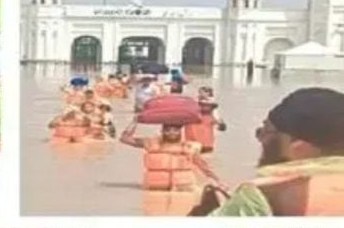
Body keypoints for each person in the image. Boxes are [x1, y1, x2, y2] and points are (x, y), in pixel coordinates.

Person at [206, 88, 344, 216]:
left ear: (299, 148)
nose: (260, 140)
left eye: (264, 132)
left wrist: (211, 201)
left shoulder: (266, 195)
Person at [119, 119, 220, 192]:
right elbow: (124, 139)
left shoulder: (188, 147)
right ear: (162, 131)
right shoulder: (151, 143)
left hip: (184, 188)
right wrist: (135, 120)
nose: (172, 133)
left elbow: (203, 166)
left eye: (175, 130)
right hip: (154, 189)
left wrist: (217, 181)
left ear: (180, 132)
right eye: (168, 130)